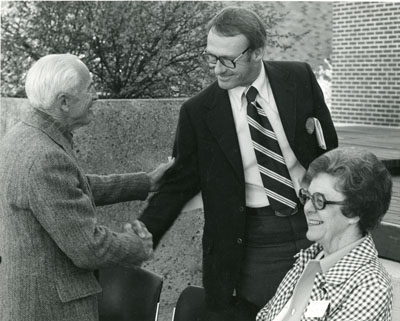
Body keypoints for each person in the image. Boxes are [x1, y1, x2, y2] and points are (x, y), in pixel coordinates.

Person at [139, 6, 338, 320]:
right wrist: (142, 234)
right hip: (254, 236)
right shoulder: (198, 112)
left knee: (321, 310)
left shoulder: (298, 77)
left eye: (228, 59)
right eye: (211, 57)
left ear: (257, 52)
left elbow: (329, 147)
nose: (218, 69)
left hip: (316, 220)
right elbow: (179, 184)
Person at [0, 54, 174, 321]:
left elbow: (73, 186)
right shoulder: (45, 156)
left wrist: (145, 182)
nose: (96, 96)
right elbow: (88, 248)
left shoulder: (23, 135)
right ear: (64, 102)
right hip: (52, 310)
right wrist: (136, 247)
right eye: (89, 88)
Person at [257, 147, 393, 321]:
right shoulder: (309, 259)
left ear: (353, 212)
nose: (307, 208)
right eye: (307, 197)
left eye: (319, 201)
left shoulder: (370, 287)